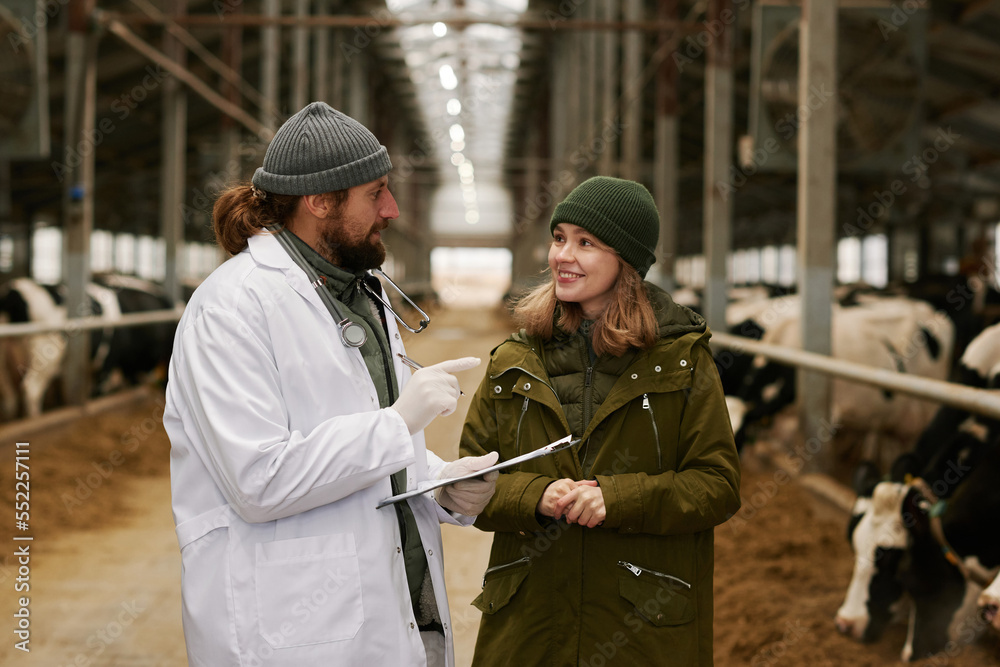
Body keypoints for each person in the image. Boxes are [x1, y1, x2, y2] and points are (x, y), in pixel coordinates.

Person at [163, 101, 498, 667]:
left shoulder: (361, 295)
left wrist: (439, 483)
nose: (392, 209)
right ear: (320, 201)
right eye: (376, 193)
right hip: (290, 626)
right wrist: (397, 424)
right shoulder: (230, 308)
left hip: (389, 605)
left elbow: (362, 448)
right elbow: (259, 481)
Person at [459, 176, 742, 666]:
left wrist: (618, 497)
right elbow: (466, 484)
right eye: (559, 237)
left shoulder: (682, 361)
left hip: (641, 629)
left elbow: (717, 485)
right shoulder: (514, 361)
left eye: (586, 243)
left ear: (625, 260)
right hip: (531, 627)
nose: (562, 256)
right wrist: (533, 497)